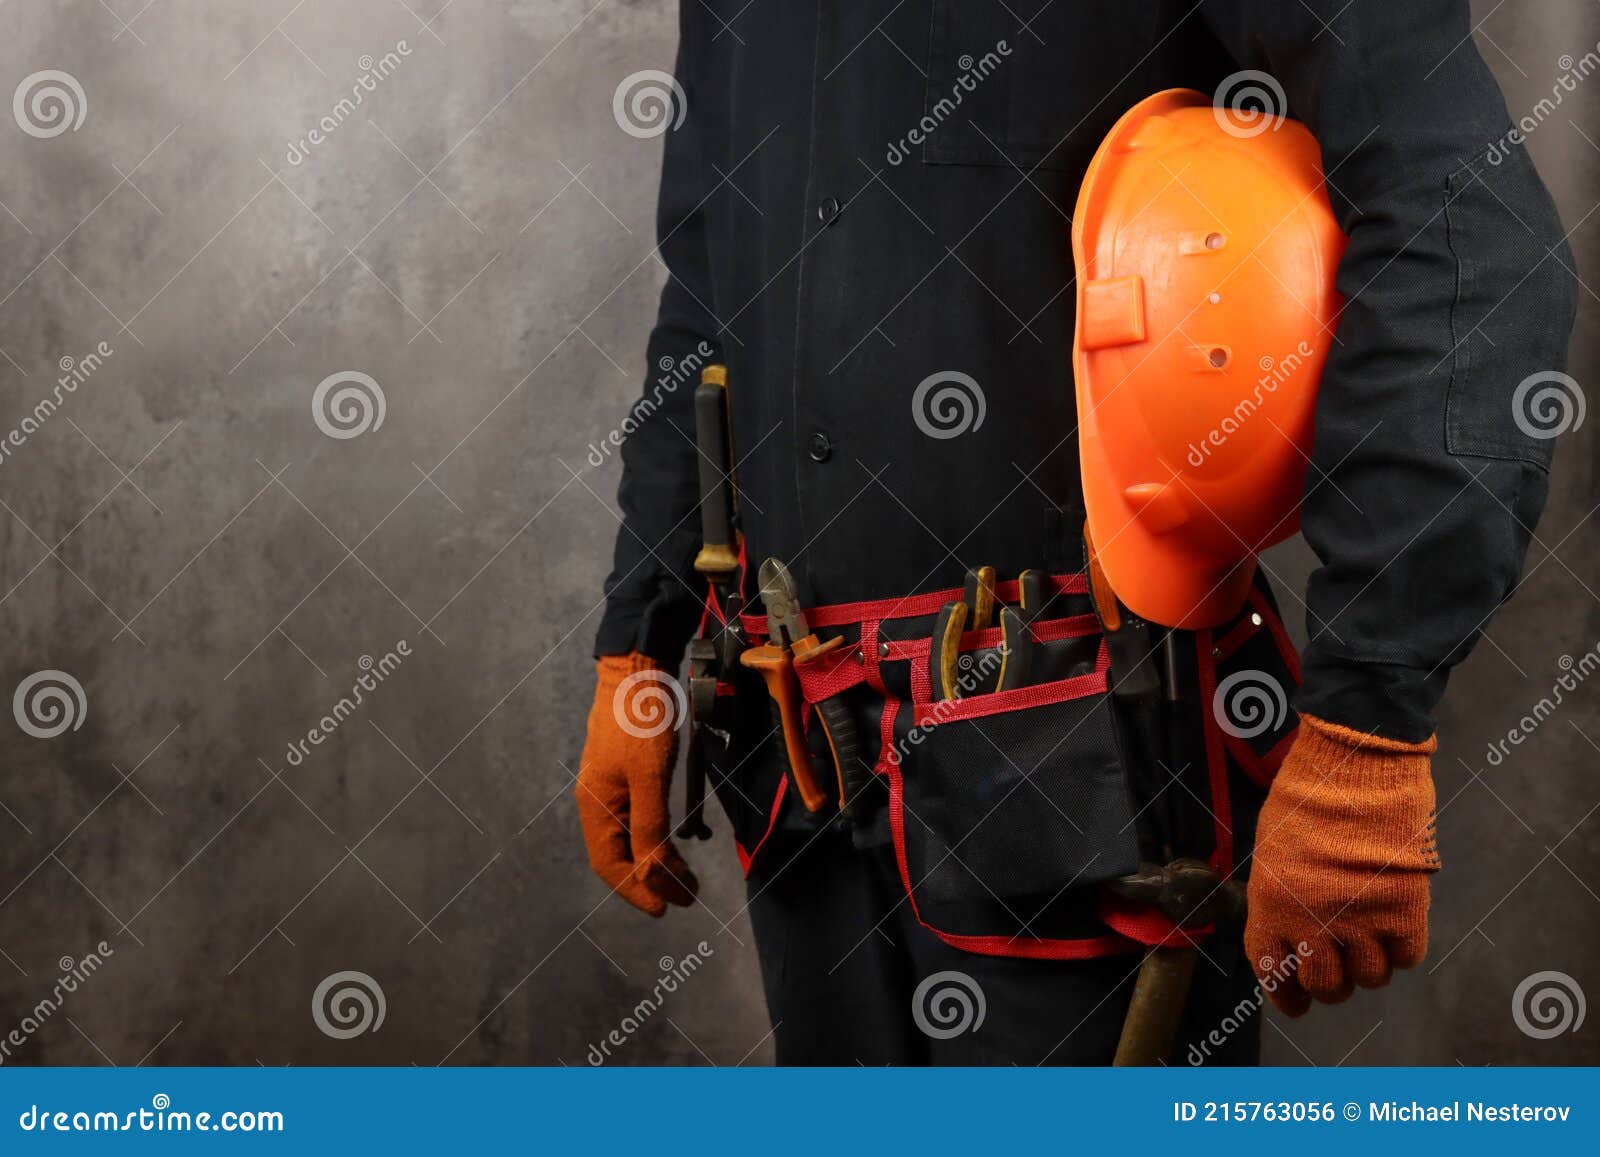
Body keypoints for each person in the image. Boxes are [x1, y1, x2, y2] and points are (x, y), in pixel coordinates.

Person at [575, 0, 1577, 1065]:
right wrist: (640, 635)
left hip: (1081, 771)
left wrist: (1365, 723)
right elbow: (709, 295)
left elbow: (1465, 232)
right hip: (794, 773)